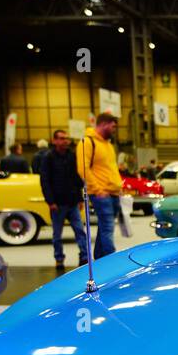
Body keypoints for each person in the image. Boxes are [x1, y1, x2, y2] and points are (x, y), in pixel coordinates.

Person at [38, 128, 88, 271]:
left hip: (72, 202)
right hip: (57, 204)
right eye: (61, 138)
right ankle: (59, 259)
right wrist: (50, 202)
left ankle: (84, 256)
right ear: (54, 141)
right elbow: (45, 181)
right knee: (57, 235)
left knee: (80, 231)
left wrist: (80, 199)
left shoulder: (72, 156)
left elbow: (76, 179)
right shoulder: (48, 158)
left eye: (66, 138)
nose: (64, 141)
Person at [76, 112, 122, 259]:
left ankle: (100, 259)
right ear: (103, 124)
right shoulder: (87, 142)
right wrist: (97, 189)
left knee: (104, 228)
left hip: (113, 193)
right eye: (112, 126)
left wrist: (118, 188)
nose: (114, 130)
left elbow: (110, 168)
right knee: (108, 228)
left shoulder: (108, 145)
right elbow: (83, 168)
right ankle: (111, 261)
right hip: (101, 193)